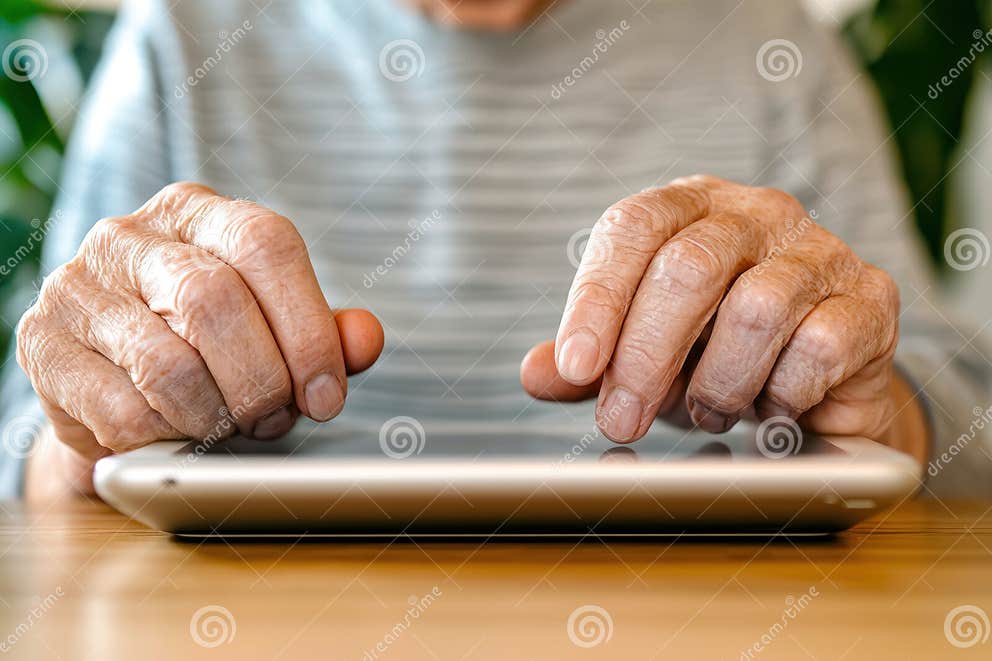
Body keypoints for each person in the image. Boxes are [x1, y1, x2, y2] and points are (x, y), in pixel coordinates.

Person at [2, 0, 990, 502]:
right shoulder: (182, 34)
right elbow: (29, 434)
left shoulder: (768, 40)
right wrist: (79, 439)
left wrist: (880, 407)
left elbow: (961, 427)